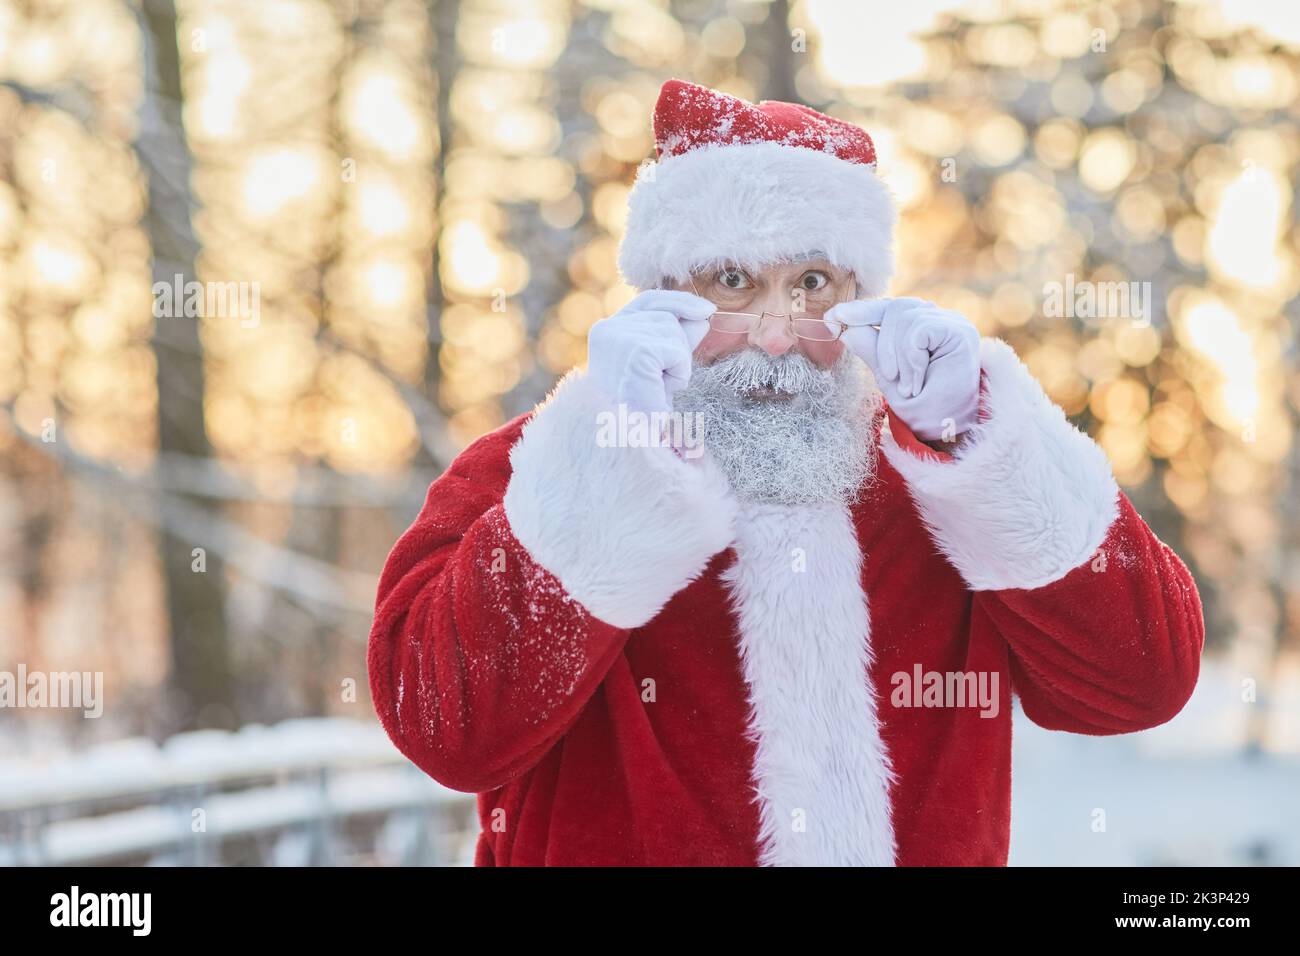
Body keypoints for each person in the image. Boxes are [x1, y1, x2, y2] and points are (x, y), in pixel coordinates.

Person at [367, 78, 1205, 866]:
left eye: (811, 282)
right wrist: (610, 461)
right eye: (733, 280)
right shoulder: (536, 467)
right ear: (664, 291)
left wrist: (986, 443)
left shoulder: (942, 475)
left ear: (859, 292)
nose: (777, 332)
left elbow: (1143, 682)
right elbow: (446, 728)